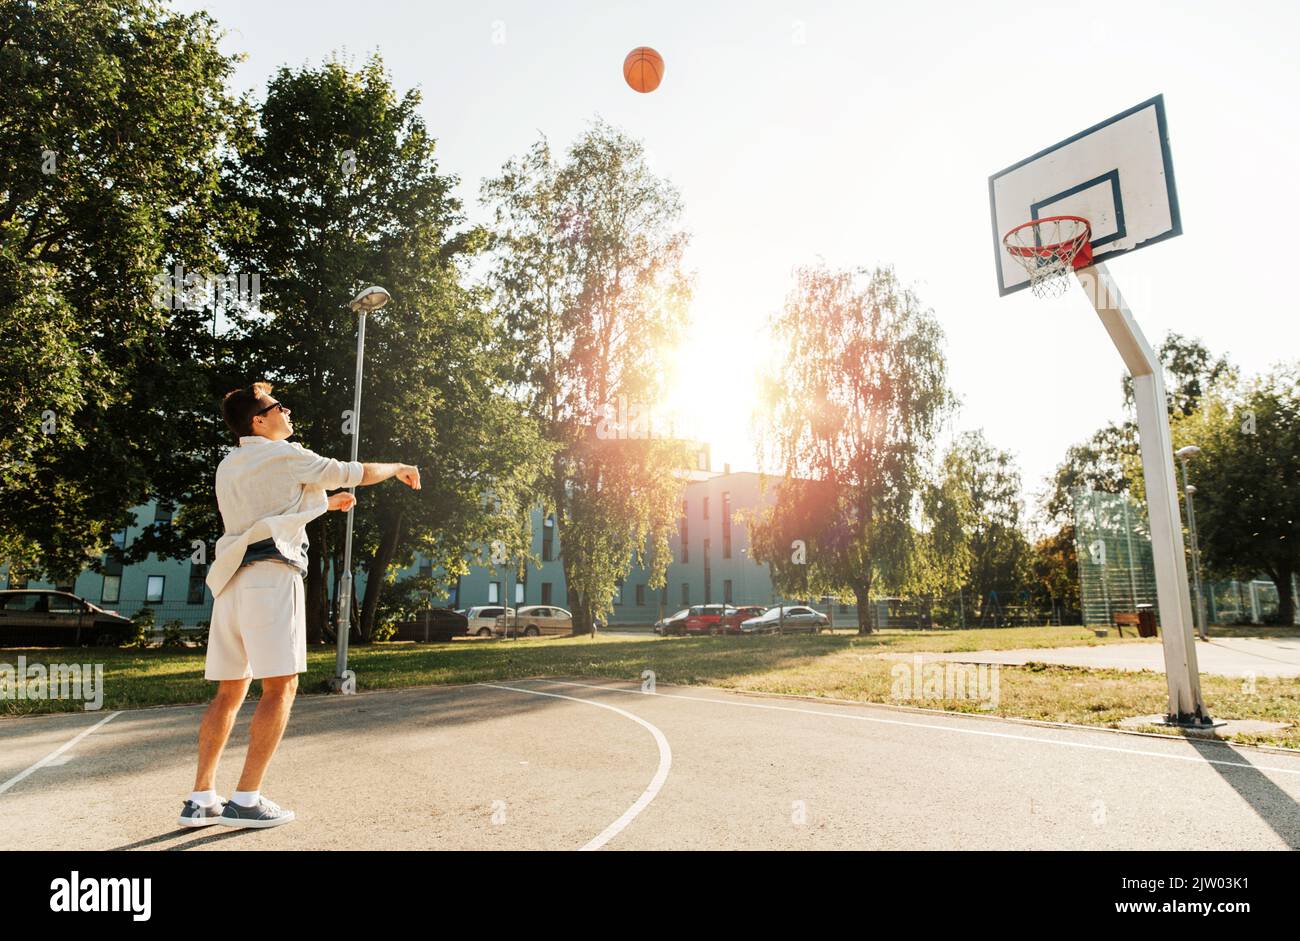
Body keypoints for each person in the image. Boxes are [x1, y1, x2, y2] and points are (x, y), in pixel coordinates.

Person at [178, 382, 420, 829]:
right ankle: (247, 800)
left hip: (231, 582)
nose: (286, 410)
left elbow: (266, 514)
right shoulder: (287, 455)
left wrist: (321, 507)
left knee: (229, 691)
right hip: (272, 577)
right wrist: (398, 466)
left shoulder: (229, 465)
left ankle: (200, 799)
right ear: (259, 420)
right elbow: (357, 471)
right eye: (277, 406)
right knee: (280, 687)